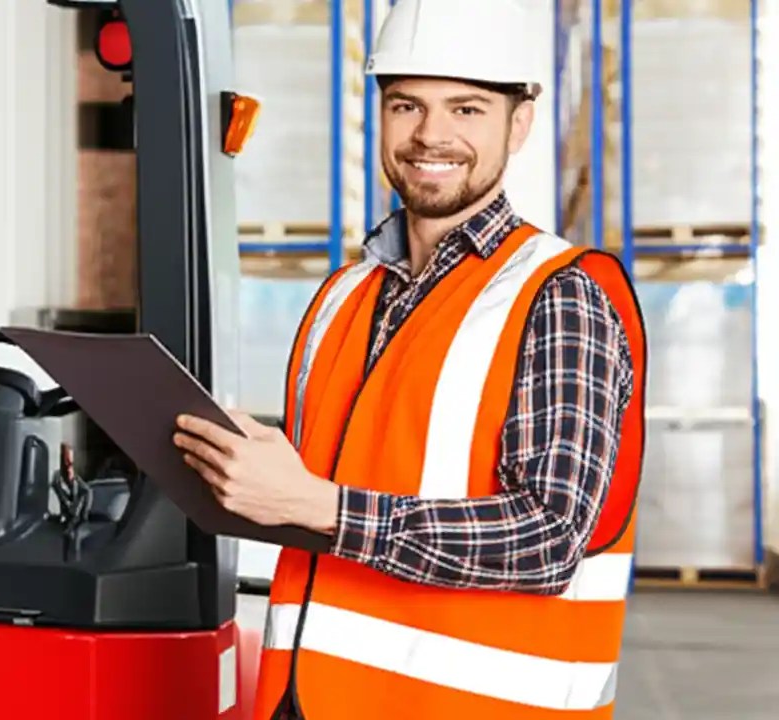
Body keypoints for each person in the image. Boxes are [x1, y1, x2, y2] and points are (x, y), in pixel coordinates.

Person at [172, 0, 648, 718]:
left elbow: (550, 537)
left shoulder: (561, 293)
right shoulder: (344, 294)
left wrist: (315, 504)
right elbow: (329, 493)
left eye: (466, 109)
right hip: (305, 698)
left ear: (519, 123)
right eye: (407, 105)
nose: (432, 134)